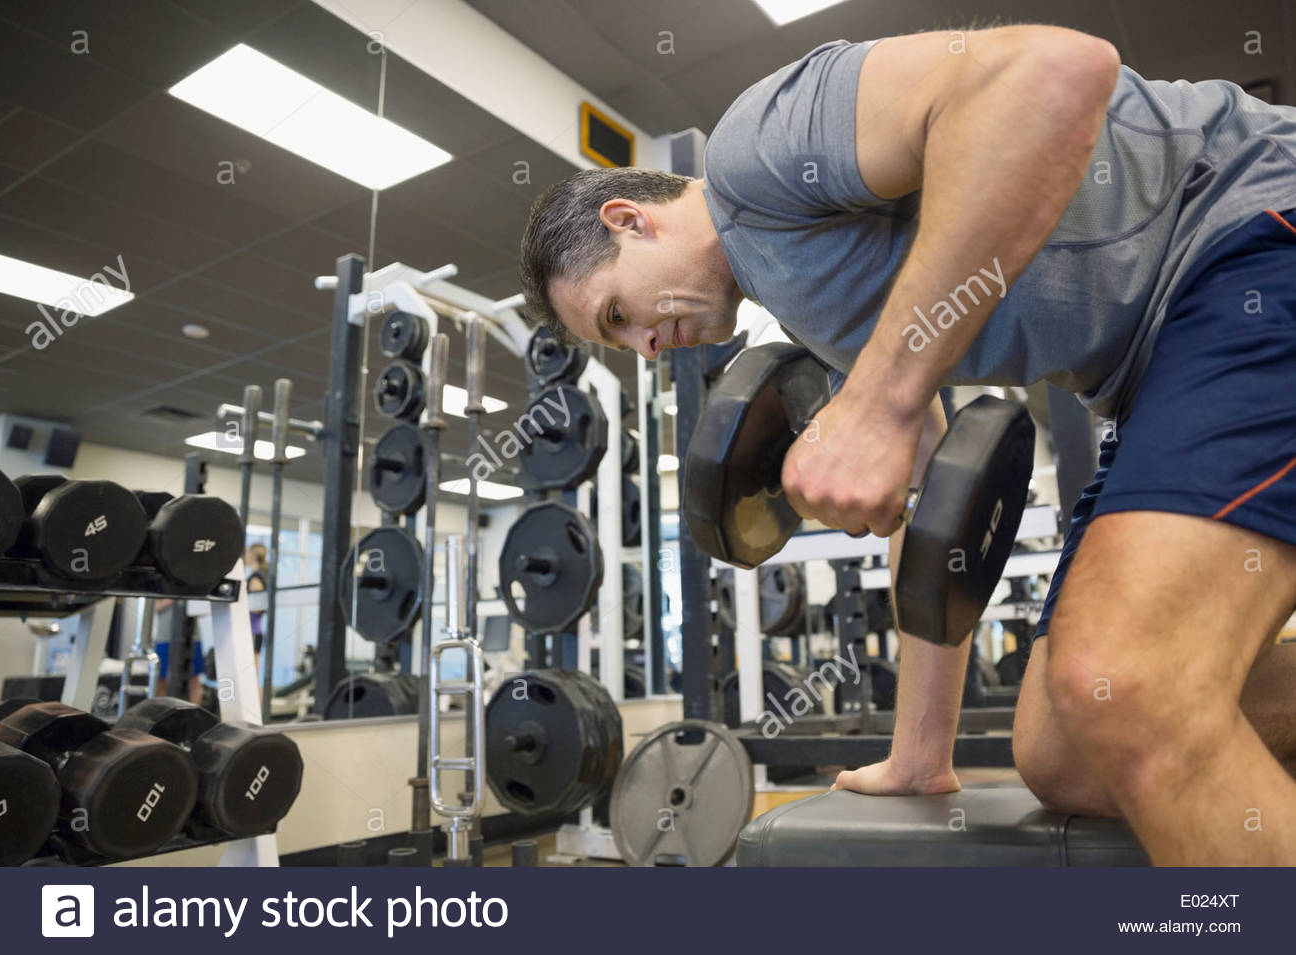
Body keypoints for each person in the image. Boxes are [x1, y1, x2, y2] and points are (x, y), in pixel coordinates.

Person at [518, 27, 1296, 865]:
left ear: (629, 220)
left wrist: (883, 401)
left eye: (617, 316)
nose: (644, 345)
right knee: (1069, 751)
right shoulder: (818, 321)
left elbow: (1058, 71)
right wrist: (922, 752)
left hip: (1245, 239)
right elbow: (930, 519)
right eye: (620, 342)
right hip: (1143, 377)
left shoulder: (755, 153)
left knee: (1130, 685)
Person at [245, 542, 269, 658]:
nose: (245, 556)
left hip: (252, 630)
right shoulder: (260, 574)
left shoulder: (256, 578)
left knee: (250, 670)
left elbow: (257, 607)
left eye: (247, 553)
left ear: (253, 556)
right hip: (253, 629)